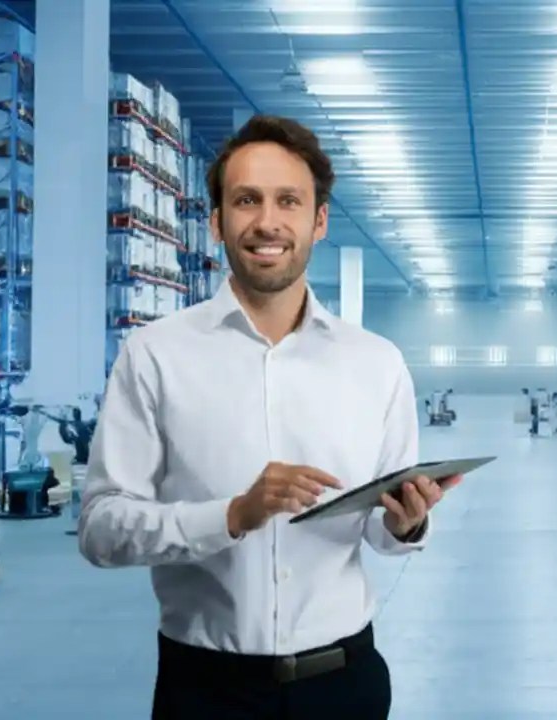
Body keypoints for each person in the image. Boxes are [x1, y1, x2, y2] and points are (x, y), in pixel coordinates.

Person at [77, 114, 461, 720]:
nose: (267, 222)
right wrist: (231, 514)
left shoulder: (375, 364)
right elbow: (100, 529)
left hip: (344, 684)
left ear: (319, 220)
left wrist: (407, 523)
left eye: (289, 200)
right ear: (217, 222)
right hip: (206, 690)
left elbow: (380, 533)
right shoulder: (155, 355)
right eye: (246, 200)